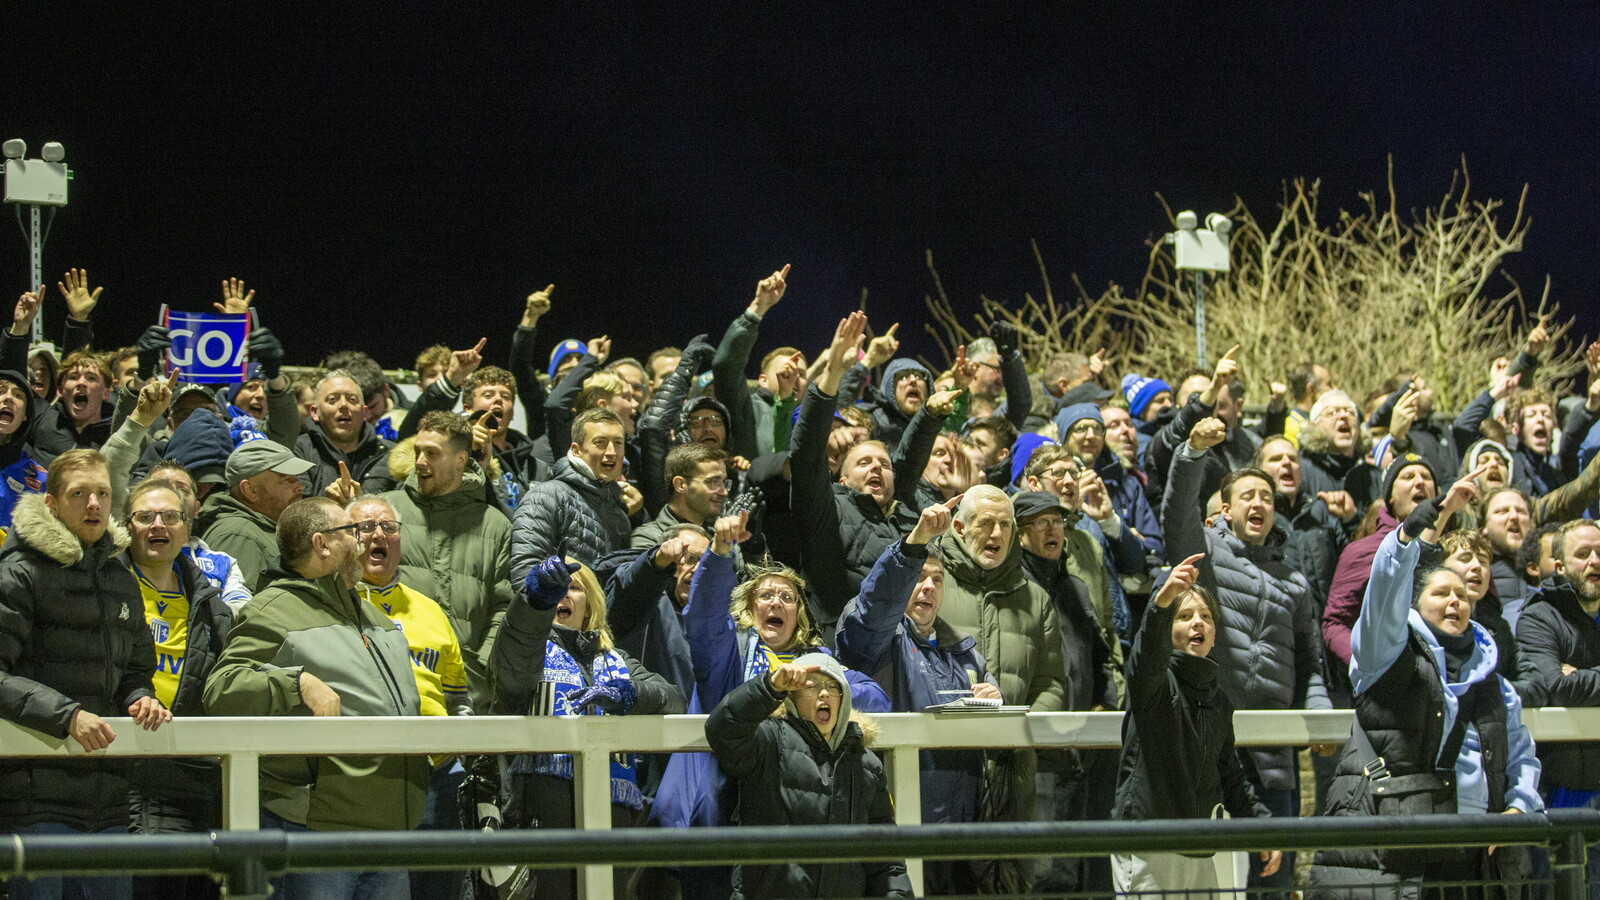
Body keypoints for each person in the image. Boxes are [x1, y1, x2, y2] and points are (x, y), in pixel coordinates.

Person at [1310, 475, 1542, 894]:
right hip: (1396, 855)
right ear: (1414, 604)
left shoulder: (1495, 682)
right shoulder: (1386, 656)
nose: (1455, 601)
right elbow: (1381, 600)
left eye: (1462, 596)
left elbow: (1521, 755)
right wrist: (1404, 540)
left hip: (1478, 859)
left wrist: (1519, 808)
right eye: (1441, 593)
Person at [204, 497, 428, 900]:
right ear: (321, 544)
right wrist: (297, 683)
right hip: (319, 827)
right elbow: (222, 688)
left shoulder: (372, 615)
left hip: (392, 825)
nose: (362, 541)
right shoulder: (272, 611)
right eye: (351, 531)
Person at [1164, 415, 1330, 893]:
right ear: (1226, 509)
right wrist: (1192, 452)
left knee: (1274, 884)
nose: (1259, 504)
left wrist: (1319, 717)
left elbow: (1311, 665)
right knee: (1218, 884)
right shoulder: (1206, 556)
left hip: (1274, 758)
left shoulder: (1294, 582)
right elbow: (1176, 514)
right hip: (1215, 752)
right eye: (1248, 496)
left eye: (1267, 498)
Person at [0, 449, 171, 900]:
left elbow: (136, 668)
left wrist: (140, 696)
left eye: (102, 494)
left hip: (109, 799)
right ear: (52, 504)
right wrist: (67, 715)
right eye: (79, 494)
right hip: (35, 801)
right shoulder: (18, 573)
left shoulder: (119, 577)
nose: (94, 504)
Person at [491, 555, 684, 900]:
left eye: (574, 587)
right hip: (539, 804)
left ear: (590, 605)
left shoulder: (618, 660)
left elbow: (673, 699)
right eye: (554, 588)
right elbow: (515, 656)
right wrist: (534, 602)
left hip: (615, 811)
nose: (563, 594)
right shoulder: (527, 650)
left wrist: (628, 694)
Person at [834, 498, 999, 895]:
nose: (928, 587)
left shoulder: (965, 652)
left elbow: (996, 725)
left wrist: (995, 697)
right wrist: (914, 545)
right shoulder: (877, 639)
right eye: (919, 577)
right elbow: (875, 607)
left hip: (962, 835)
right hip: (893, 826)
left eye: (937, 580)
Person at [1112, 553, 1282, 897]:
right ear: (1167, 628)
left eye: (1206, 617)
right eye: (1184, 616)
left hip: (1200, 845)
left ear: (1215, 635)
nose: (1197, 624)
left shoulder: (1219, 701)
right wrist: (1161, 605)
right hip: (1149, 844)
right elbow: (1147, 657)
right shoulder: (1155, 684)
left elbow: (1230, 776)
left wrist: (1261, 828)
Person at [706, 653, 912, 900]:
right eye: (811, 686)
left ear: (843, 699)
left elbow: (886, 861)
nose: (824, 693)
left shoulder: (866, 764)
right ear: (792, 697)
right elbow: (722, 729)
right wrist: (769, 687)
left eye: (833, 686)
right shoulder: (769, 742)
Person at [123, 479, 233, 900]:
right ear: (127, 526)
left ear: (188, 528)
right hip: (128, 772)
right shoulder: (107, 586)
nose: (158, 525)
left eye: (170, 516)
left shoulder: (210, 603)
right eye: (145, 516)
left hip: (196, 775)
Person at [378, 411, 513, 716]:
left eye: (432, 453)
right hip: (393, 683)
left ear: (461, 459)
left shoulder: (495, 525)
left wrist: (481, 667)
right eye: (417, 451)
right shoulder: (387, 513)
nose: (420, 461)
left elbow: (502, 607)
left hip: (469, 687)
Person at [1515, 518, 1600, 896]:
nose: (1595, 561)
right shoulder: (1540, 614)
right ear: (1560, 566)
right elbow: (1556, 687)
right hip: (1563, 797)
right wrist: (1569, 681)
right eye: (1583, 554)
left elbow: (1571, 684)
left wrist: (1581, 677)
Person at [511, 407, 633, 574]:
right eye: (600, 442)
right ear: (576, 450)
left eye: (618, 443)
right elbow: (524, 572)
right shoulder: (546, 497)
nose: (611, 452)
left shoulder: (619, 515)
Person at [195, 440, 313, 590]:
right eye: (288, 480)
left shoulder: (261, 527)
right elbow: (239, 603)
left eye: (297, 478)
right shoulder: (238, 535)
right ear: (250, 490)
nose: (301, 486)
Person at [292, 369, 395, 496]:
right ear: (314, 412)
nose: (343, 405)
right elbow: (297, 502)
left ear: (364, 412)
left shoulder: (390, 453)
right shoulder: (299, 451)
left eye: (352, 399)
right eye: (332, 399)